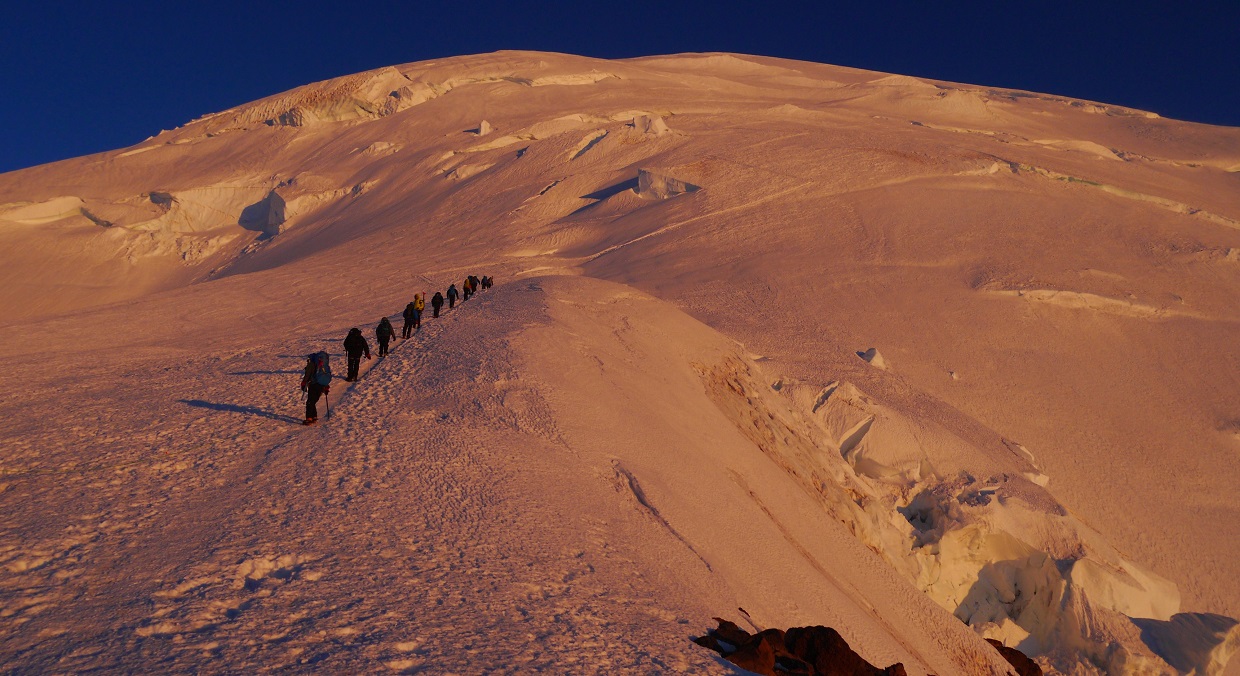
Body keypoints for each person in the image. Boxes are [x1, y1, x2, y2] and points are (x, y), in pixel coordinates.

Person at [300, 351, 332, 425]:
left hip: (313, 384)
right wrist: (326, 387)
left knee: (310, 401)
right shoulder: (324, 366)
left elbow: (307, 375)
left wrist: (304, 383)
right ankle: (314, 417)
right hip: (321, 385)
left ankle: (309, 418)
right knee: (313, 400)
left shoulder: (311, 364)